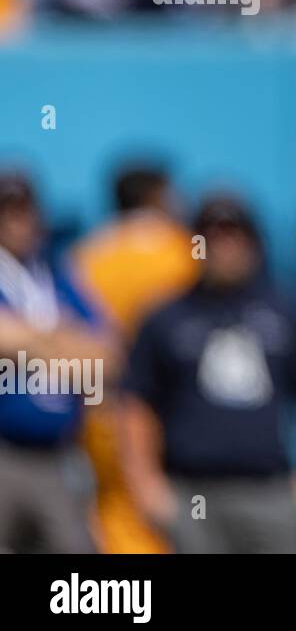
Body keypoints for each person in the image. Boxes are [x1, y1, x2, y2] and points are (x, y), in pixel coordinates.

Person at [120, 195, 296, 553]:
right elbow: (135, 405)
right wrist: (145, 484)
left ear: (253, 242)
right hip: (192, 493)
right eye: (212, 238)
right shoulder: (166, 316)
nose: (224, 247)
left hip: (270, 493)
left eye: (233, 235)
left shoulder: (286, 311)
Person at [72, 161, 199, 554]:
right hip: (169, 409)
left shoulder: (87, 254)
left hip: (100, 407)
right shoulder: (182, 250)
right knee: (175, 512)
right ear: (158, 196)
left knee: (117, 511)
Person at [0, 170, 111, 553]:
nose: (18, 222)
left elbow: (105, 355)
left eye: (24, 210)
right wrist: (58, 333)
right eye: (7, 212)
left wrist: (28, 342)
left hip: (58, 453)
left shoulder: (57, 275)